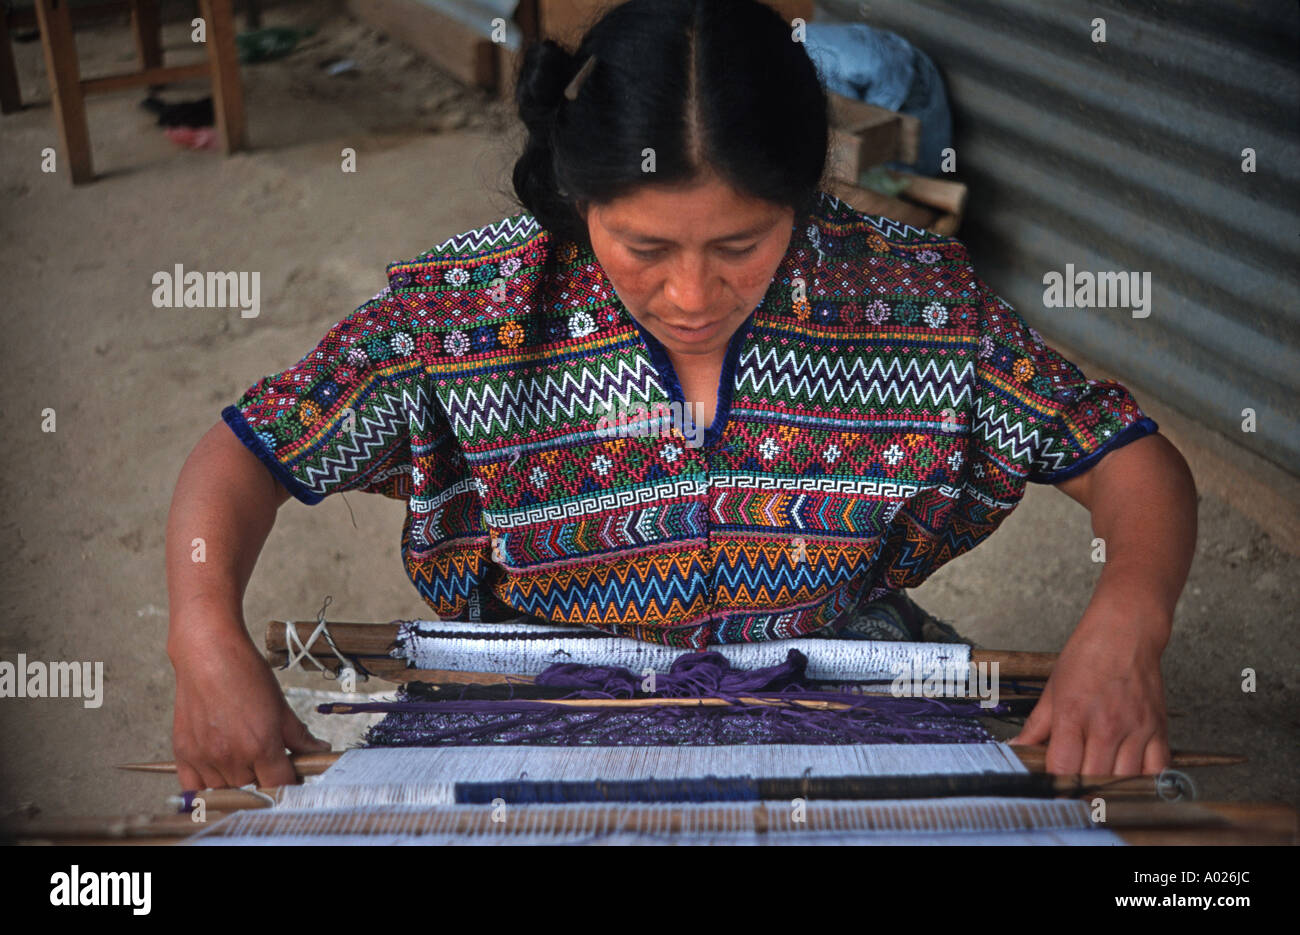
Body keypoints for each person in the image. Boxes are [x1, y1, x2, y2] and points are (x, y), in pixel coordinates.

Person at [165, 0, 1196, 793]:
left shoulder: (907, 296)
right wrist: (203, 636)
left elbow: (1123, 454)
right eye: (644, 247)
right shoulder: (468, 309)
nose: (692, 294)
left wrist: (1128, 617)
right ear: (578, 198)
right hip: (547, 690)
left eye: (740, 245)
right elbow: (248, 453)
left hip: (828, 669)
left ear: (800, 198)